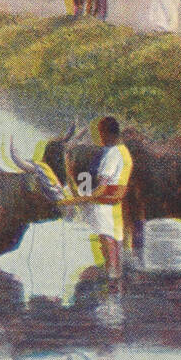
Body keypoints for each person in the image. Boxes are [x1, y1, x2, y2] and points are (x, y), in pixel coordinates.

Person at [60, 116, 132, 289]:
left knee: (106, 239)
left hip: (104, 204)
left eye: (100, 133)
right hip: (115, 203)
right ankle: (114, 278)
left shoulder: (113, 154)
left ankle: (111, 279)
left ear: (106, 133)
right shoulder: (124, 152)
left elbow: (102, 188)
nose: (99, 137)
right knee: (115, 240)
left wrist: (79, 199)